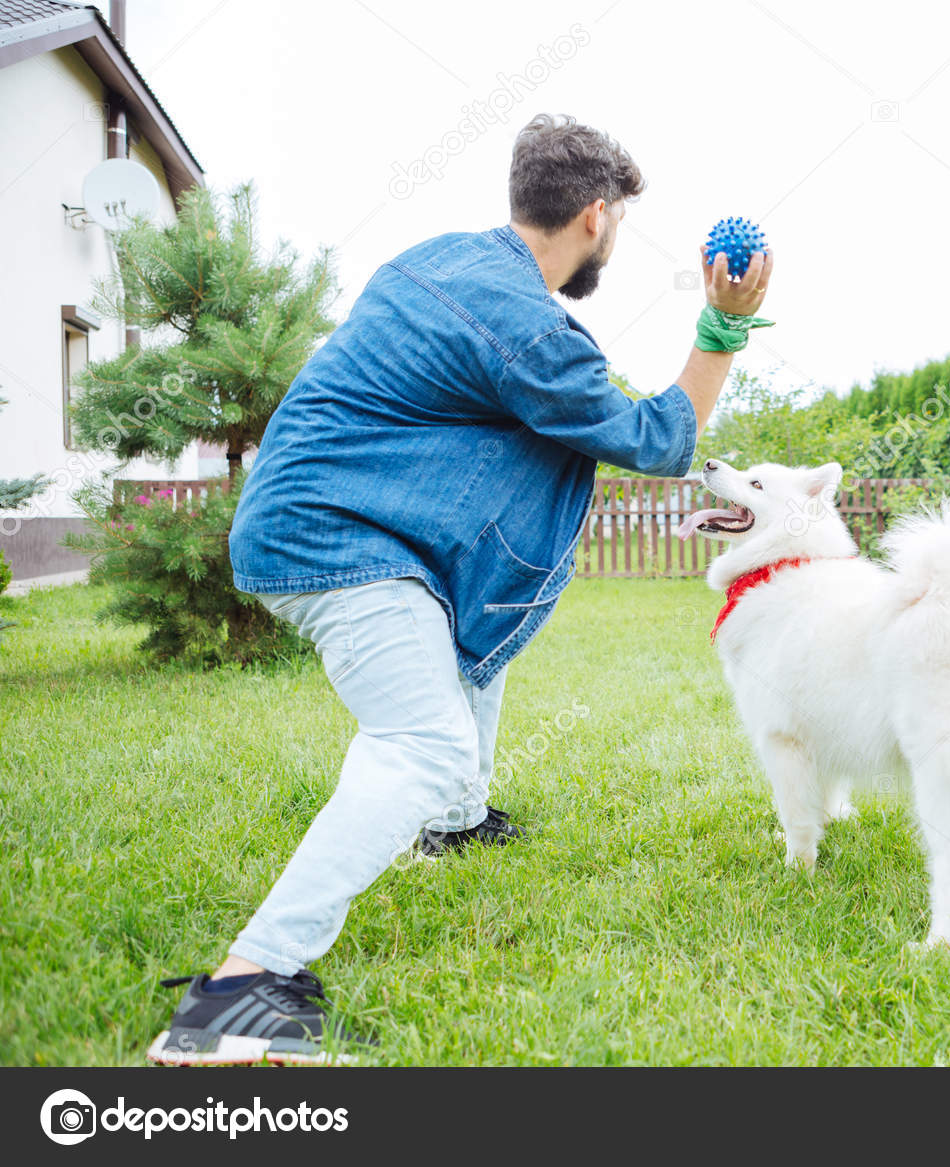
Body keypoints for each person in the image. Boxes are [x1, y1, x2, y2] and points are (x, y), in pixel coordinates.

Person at [147, 114, 773, 1065]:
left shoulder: (437, 260)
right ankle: (243, 987)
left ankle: (455, 822)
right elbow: (658, 440)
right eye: (621, 226)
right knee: (421, 738)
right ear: (596, 219)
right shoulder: (526, 325)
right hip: (335, 537)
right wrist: (722, 326)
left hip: (333, 522)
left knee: (465, 640)